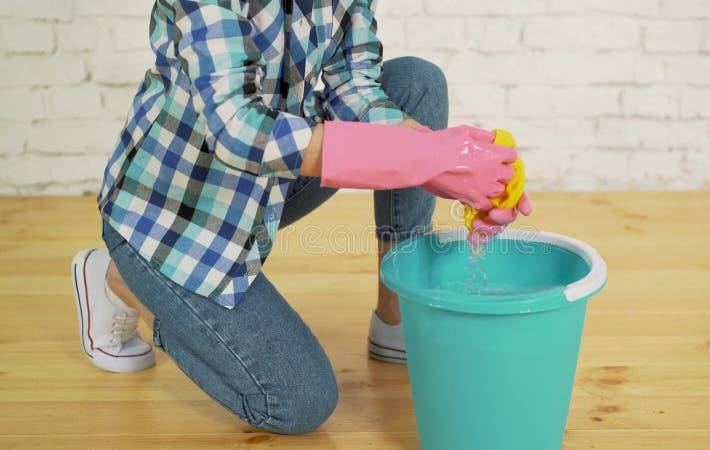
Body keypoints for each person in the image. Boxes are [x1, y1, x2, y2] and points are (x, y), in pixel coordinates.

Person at [69, 0, 531, 435]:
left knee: (416, 83)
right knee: (298, 402)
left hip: (271, 183)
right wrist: (426, 158)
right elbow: (239, 130)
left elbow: (354, 84)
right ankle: (121, 278)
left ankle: (394, 323)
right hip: (174, 217)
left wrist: (457, 166)